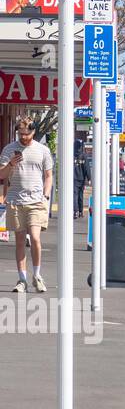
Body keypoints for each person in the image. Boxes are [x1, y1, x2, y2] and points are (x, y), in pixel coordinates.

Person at [0, 117, 55, 293]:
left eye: (27, 134)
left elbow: (48, 175)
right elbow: (2, 174)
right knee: (20, 240)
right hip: (15, 200)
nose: (24, 137)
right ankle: (22, 279)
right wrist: (10, 164)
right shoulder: (10, 149)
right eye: (21, 134)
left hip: (36, 201)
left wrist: (45, 196)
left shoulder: (43, 151)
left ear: (34, 132)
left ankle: (37, 275)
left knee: (35, 238)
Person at [73, 139, 88, 218]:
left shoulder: (71, 155)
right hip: (81, 178)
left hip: (73, 178)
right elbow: (86, 168)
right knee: (80, 195)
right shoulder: (83, 156)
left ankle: (75, 211)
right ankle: (81, 212)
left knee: (74, 195)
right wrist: (89, 178)